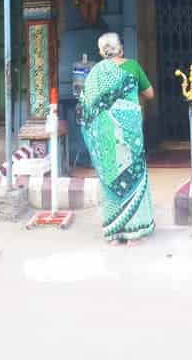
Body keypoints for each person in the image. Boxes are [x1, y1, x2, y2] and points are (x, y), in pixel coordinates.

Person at [77, 32, 156, 246]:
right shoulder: (132, 67)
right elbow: (150, 94)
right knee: (135, 176)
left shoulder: (94, 73)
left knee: (110, 176)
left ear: (102, 51)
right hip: (129, 132)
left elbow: (86, 107)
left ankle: (113, 233)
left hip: (105, 134)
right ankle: (135, 232)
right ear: (120, 48)